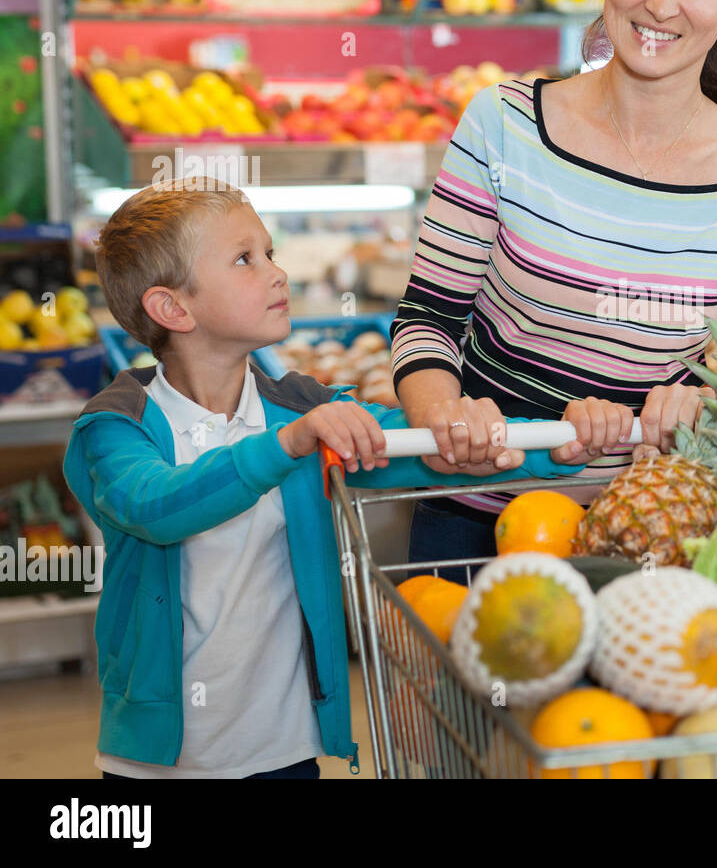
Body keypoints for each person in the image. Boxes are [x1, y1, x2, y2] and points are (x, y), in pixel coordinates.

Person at [63, 182, 580, 779]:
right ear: (173, 308)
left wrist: (556, 444)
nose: (276, 273)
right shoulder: (118, 425)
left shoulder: (298, 406)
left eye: (271, 252)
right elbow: (156, 505)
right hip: (159, 762)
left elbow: (417, 448)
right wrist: (286, 445)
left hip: (286, 749)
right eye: (244, 259)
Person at [392, 0, 717, 564]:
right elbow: (427, 319)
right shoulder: (504, 123)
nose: (663, 3)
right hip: (476, 517)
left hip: (656, 535)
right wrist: (444, 413)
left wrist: (700, 410)